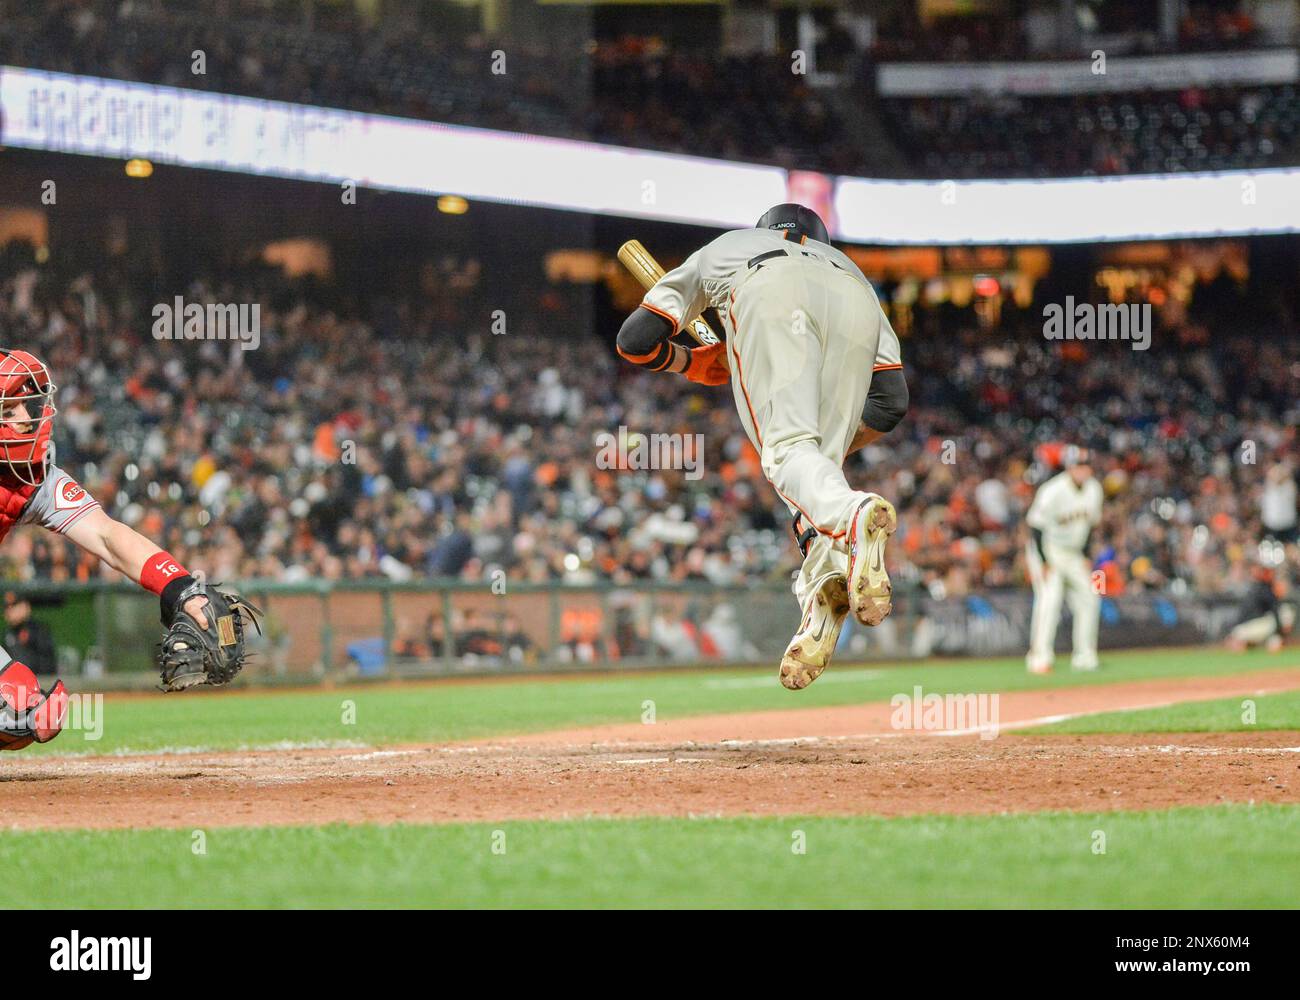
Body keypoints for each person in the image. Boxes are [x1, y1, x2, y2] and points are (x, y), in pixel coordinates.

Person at [615, 205, 908, 689]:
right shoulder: (849, 268)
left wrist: (692, 363)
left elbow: (635, 339)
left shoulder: (728, 245)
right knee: (811, 466)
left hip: (767, 292)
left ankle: (851, 513)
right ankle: (821, 593)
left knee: (789, 452)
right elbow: (891, 401)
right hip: (854, 308)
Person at [0, 350, 254, 752]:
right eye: (11, 409)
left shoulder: (30, 476)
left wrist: (181, 587)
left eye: (27, 405)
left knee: (17, 706)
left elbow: (105, 536)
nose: (28, 419)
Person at [1024, 446, 1103, 673]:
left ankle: (1085, 656)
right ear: (1069, 467)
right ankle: (1039, 657)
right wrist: (1043, 561)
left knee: (1091, 596)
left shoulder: (1094, 489)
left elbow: (1091, 527)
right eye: (1078, 465)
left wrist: (1087, 556)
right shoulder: (1053, 490)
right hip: (1047, 549)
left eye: (1086, 465)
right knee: (1050, 598)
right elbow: (1035, 527)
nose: (1083, 470)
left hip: (1074, 553)